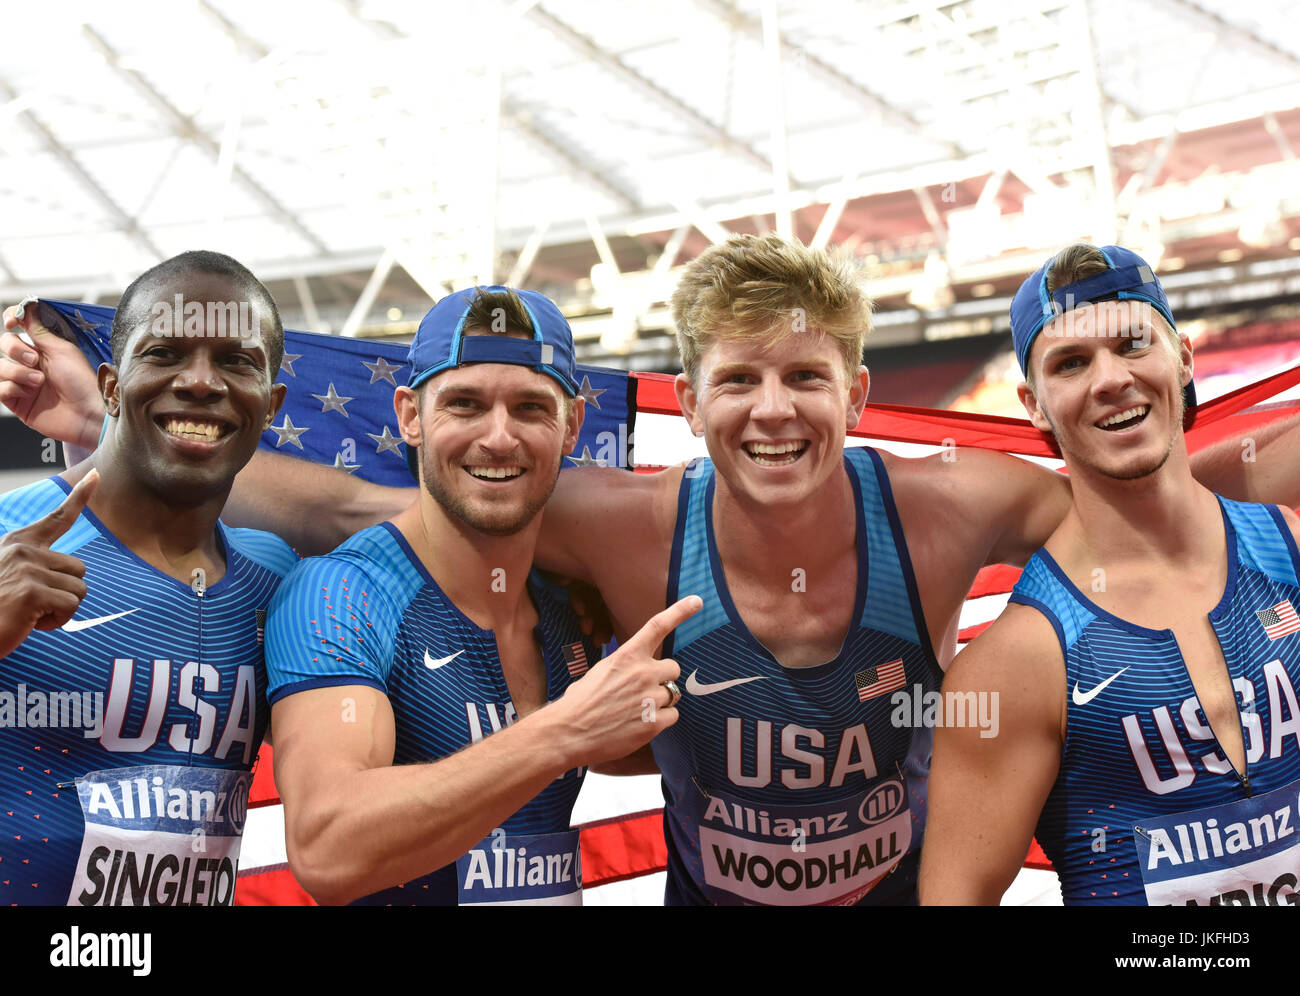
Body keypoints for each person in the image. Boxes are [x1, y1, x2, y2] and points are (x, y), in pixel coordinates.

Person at [7, 236, 1300, 905]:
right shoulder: (584, 531)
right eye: (739, 382)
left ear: (857, 393)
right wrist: (103, 424)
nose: (774, 412)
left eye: (804, 379)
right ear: (696, 398)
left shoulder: (955, 503)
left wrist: (926, 705)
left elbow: (1156, 487)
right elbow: (353, 507)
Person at [262, 286, 699, 905]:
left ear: (572, 424)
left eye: (529, 408)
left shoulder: (570, 601)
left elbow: (677, 743)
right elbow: (327, 847)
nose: (498, 438)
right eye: (464, 405)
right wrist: (561, 732)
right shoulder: (341, 594)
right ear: (410, 416)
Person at [918, 245, 1300, 906]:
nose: (1110, 380)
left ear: (1180, 358)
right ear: (1035, 405)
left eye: (1131, 344)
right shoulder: (1015, 664)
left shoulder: (1290, 550)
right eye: (1071, 363)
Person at [0, 250, 294, 906]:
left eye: (236, 361)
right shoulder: (6, 541)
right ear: (109, 387)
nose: (200, 382)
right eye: (163, 353)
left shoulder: (278, 578)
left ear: (271, 404)